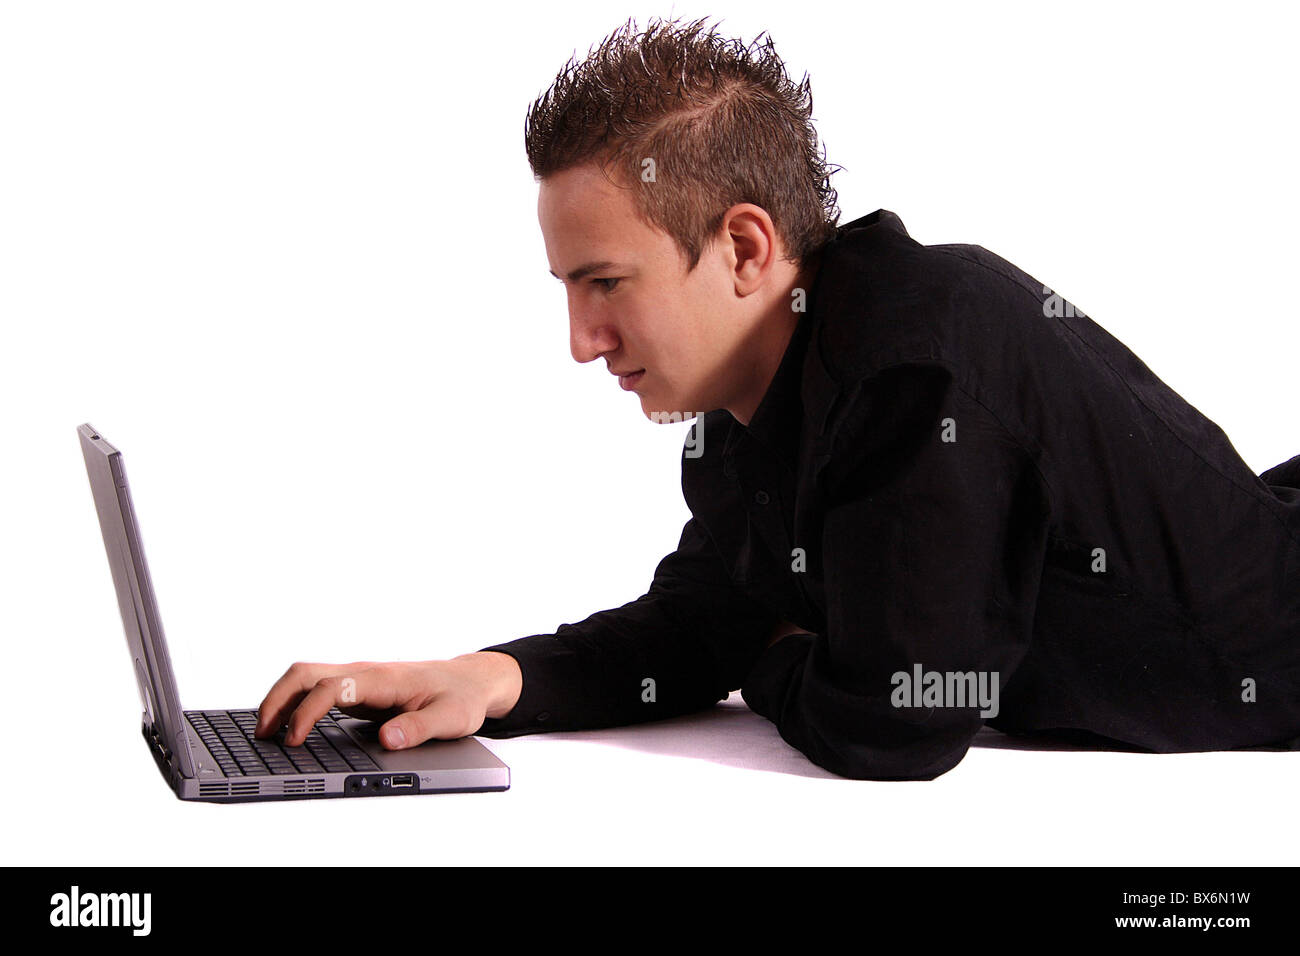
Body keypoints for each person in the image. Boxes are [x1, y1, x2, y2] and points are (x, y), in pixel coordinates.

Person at [255, 16, 1300, 780]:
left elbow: (894, 721)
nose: (580, 343)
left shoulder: (909, 364)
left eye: (604, 283)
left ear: (745, 248)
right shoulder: (751, 412)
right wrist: (487, 677)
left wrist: (769, 661)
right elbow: (705, 617)